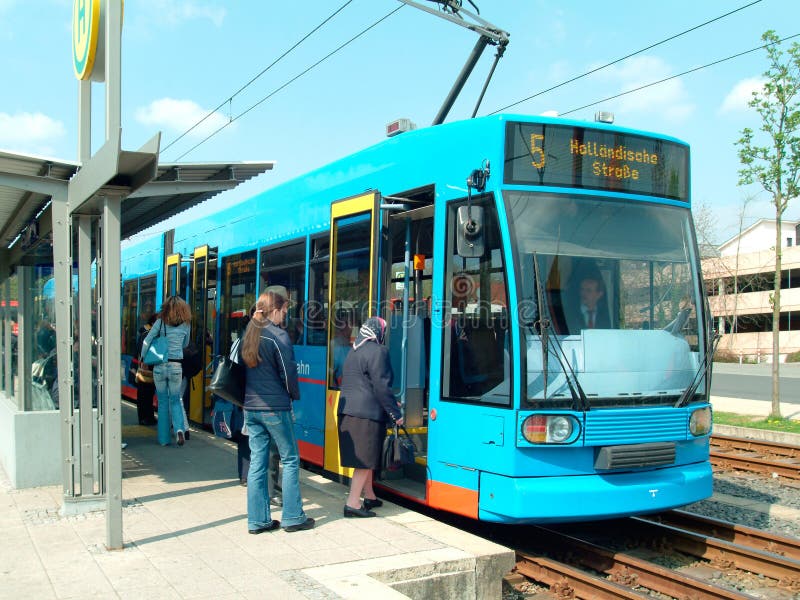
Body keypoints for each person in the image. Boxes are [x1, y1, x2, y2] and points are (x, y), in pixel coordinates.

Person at [241, 290, 313, 534]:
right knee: (290, 459)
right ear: (275, 310)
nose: (285, 316)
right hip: (275, 408)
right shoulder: (278, 336)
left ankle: (258, 520)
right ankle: (293, 517)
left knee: (257, 463)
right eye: (284, 311)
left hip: (251, 408)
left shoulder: (251, 332)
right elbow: (288, 373)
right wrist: (293, 396)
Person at [338, 316, 403, 518]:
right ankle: (352, 504)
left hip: (348, 412)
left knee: (365, 458)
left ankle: (370, 495)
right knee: (365, 461)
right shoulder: (378, 351)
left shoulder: (354, 350)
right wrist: (395, 413)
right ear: (379, 332)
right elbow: (381, 386)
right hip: (366, 415)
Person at [141, 296, 191, 446]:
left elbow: (147, 340)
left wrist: (143, 357)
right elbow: (186, 343)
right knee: (175, 400)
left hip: (160, 366)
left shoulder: (160, 322)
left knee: (162, 402)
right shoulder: (186, 325)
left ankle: (163, 439)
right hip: (176, 367)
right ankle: (180, 430)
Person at [135, 314, 157, 426]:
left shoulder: (144, 333)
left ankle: (146, 417)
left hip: (145, 367)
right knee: (146, 394)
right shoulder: (148, 335)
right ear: (153, 323)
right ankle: (146, 418)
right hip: (147, 368)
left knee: (145, 395)